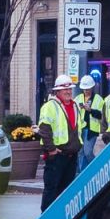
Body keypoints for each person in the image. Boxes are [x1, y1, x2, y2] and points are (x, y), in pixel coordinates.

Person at [37, 74, 81, 208]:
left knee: (66, 192)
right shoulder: (50, 106)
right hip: (57, 156)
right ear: (57, 91)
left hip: (71, 156)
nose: (68, 92)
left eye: (69, 89)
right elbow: (44, 130)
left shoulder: (75, 106)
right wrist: (51, 150)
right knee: (51, 190)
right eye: (64, 89)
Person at [73, 73, 104, 168]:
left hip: (91, 130)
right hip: (80, 129)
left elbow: (101, 115)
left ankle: (97, 168)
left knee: (88, 152)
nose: (86, 91)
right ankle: (82, 174)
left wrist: (90, 110)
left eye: (88, 89)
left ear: (92, 87)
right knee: (80, 153)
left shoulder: (98, 99)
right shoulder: (78, 98)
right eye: (84, 89)